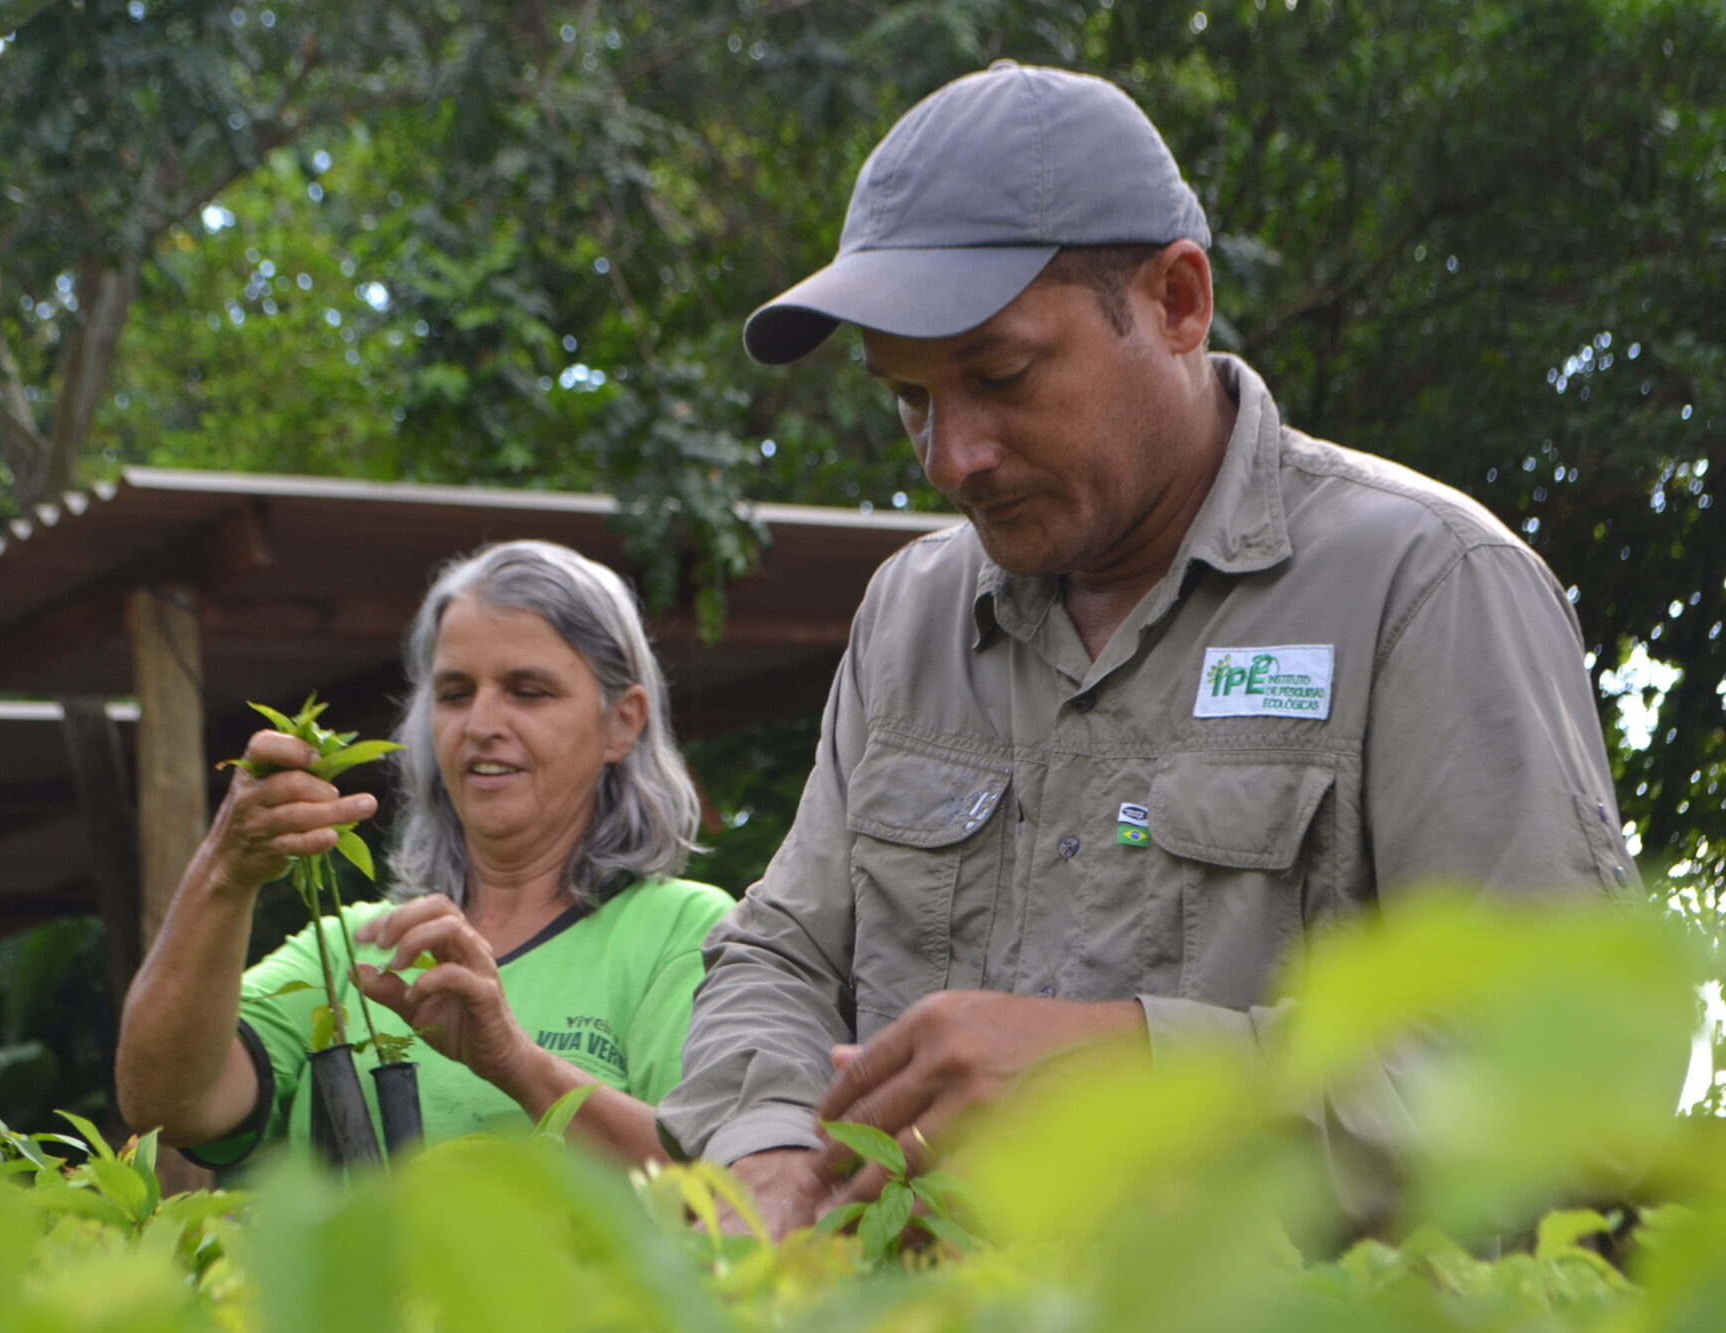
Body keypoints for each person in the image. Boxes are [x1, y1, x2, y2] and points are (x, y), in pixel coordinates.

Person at [655, 62, 1641, 1232]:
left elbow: (1567, 1075)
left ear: (1176, 301)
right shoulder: (909, 614)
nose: (948, 457)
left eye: (999, 374)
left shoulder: (1425, 588)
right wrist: (766, 1150)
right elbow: (776, 957)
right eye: (907, 399)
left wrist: (1138, 1073)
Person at [118, 540, 731, 1166]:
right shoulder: (349, 953)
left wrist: (516, 1063)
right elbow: (163, 1104)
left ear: (622, 722)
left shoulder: (686, 932)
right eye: (456, 692)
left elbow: (727, 1192)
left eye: (528, 690)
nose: (481, 723)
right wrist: (226, 871)